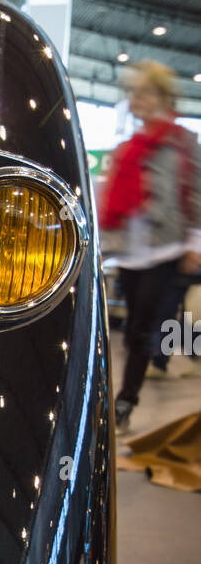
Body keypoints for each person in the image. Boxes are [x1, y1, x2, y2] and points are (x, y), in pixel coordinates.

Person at [99, 61, 201, 428]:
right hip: (130, 250)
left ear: (160, 95)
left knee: (141, 326)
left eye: (142, 92)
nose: (136, 99)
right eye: (133, 93)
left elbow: (196, 193)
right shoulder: (128, 146)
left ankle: (125, 401)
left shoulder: (183, 141)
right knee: (129, 330)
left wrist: (195, 243)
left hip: (165, 249)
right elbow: (112, 198)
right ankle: (122, 394)